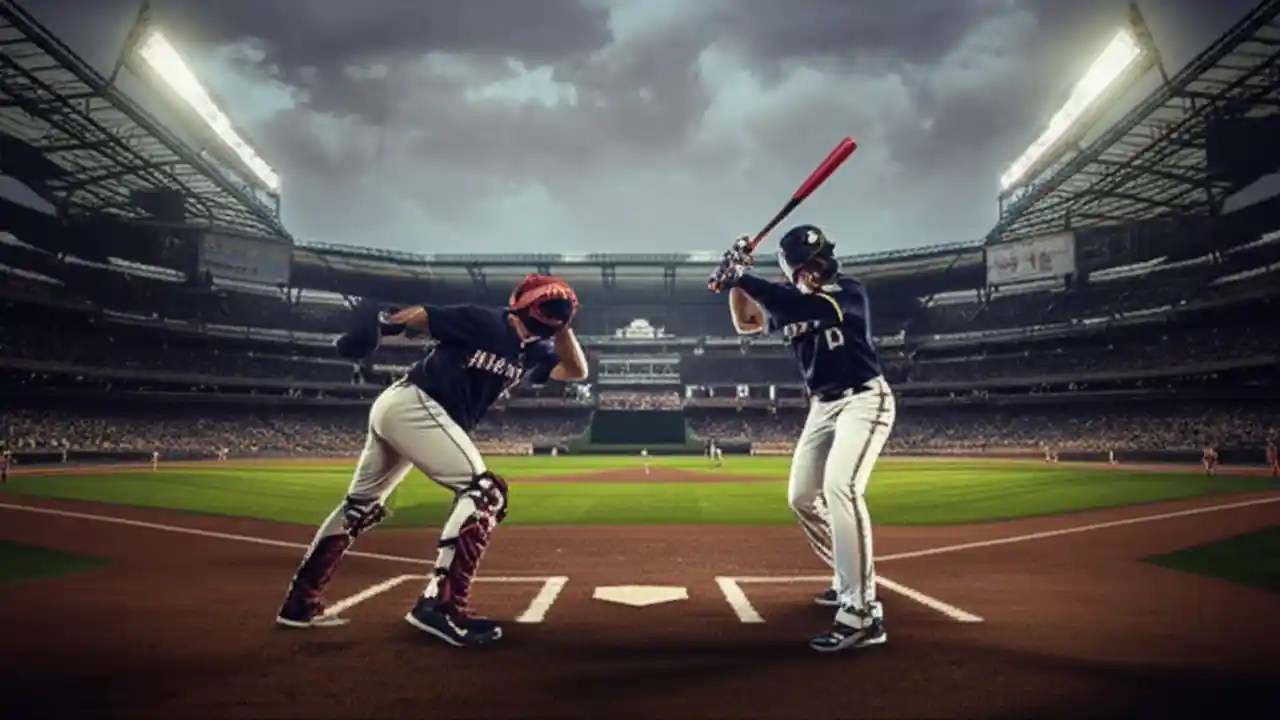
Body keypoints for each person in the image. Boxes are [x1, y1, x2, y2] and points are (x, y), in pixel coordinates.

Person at [275, 274, 588, 648]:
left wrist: (563, 329)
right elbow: (424, 315)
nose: (555, 315)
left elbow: (576, 370)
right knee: (485, 494)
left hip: (407, 409)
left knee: (358, 508)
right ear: (524, 304)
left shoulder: (534, 350)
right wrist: (380, 320)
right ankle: (440, 607)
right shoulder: (487, 320)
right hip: (418, 405)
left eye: (561, 312)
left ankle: (299, 602)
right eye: (551, 309)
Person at [710, 225, 895, 653]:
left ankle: (862, 614)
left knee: (841, 488)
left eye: (818, 264)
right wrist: (737, 279)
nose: (813, 271)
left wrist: (740, 276)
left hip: (865, 399)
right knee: (801, 496)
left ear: (827, 261)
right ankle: (847, 577)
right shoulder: (787, 298)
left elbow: (795, 304)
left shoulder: (847, 292)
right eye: (805, 267)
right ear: (794, 269)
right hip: (823, 407)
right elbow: (747, 322)